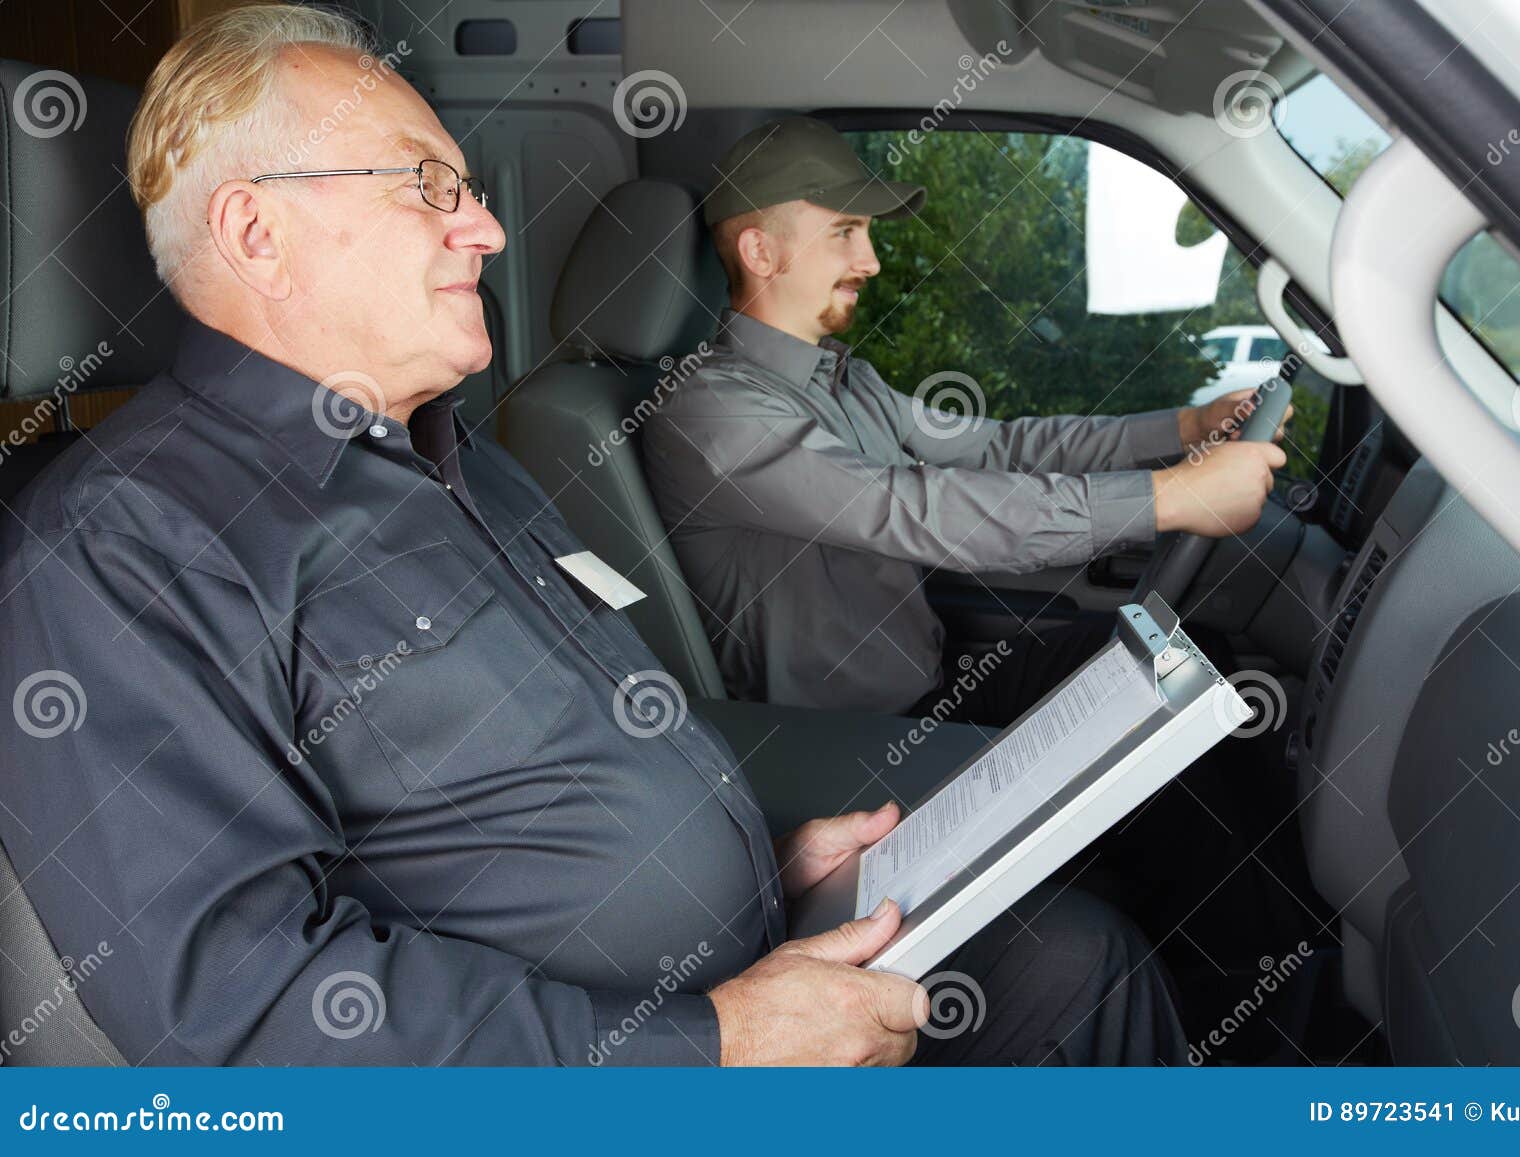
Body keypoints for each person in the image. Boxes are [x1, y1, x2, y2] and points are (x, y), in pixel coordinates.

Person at [0, 6, 1185, 1066]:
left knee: (1080, 958)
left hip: (711, 974)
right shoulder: (123, 545)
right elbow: (245, 1009)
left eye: (469, 191)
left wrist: (764, 868)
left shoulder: (468, 465)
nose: (488, 233)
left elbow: (524, 798)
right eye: (428, 188)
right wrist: (715, 1044)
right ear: (256, 232)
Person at [643, 116, 1288, 725]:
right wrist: (1168, 498)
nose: (870, 261)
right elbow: (914, 509)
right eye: (844, 231)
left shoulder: (845, 378)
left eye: (868, 233)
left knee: (1186, 661)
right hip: (856, 745)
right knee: (1182, 699)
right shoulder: (713, 413)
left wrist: (1185, 426)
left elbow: (997, 448)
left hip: (932, 686)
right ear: (759, 251)